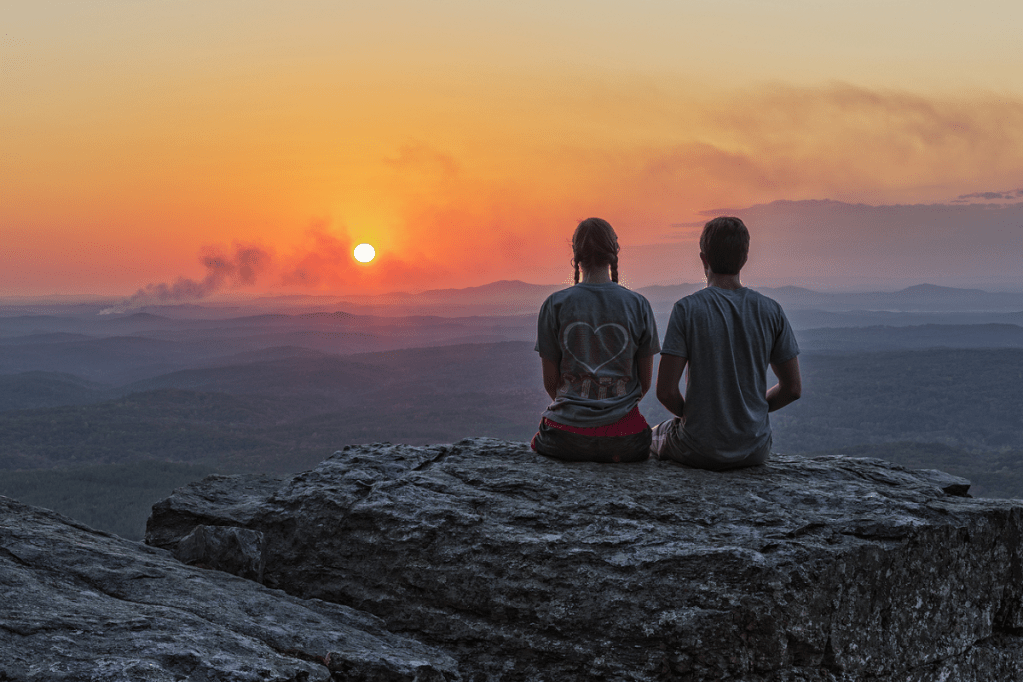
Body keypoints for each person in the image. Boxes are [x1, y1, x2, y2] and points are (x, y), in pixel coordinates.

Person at [651, 216, 801, 470]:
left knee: (649, 436)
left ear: (704, 259)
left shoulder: (687, 309)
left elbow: (665, 391)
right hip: (754, 449)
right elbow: (793, 388)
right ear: (744, 259)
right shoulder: (771, 310)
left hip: (697, 447)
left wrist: (695, 418)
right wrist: (751, 412)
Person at [531, 217, 660, 463]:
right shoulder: (639, 305)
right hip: (626, 439)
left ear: (576, 255)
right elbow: (643, 384)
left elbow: (551, 384)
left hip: (563, 438)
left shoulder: (554, 304)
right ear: (614, 253)